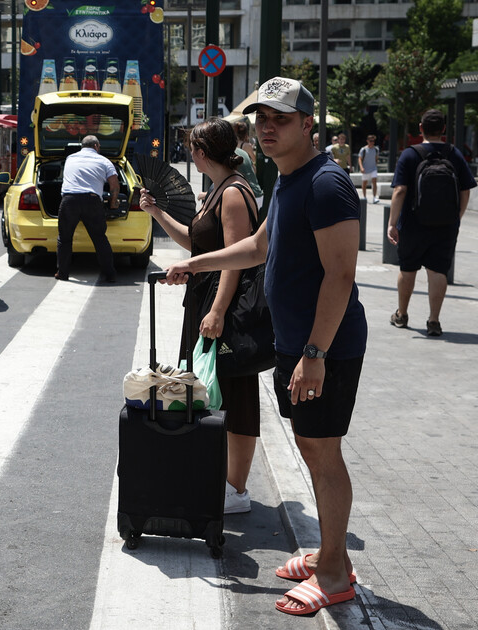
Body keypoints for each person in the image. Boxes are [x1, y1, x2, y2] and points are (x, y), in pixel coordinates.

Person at [163, 77, 366, 616]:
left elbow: (341, 275)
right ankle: (331, 552)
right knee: (311, 448)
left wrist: (315, 355)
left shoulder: (325, 183)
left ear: (307, 124)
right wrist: (195, 263)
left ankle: (334, 574)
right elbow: (256, 247)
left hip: (324, 349)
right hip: (297, 344)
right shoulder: (288, 180)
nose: (267, 127)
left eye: (281, 118)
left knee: (323, 454)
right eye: (261, 118)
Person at [140, 118, 261, 515]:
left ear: (202, 153)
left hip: (222, 307)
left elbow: (237, 259)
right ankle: (217, 476)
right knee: (206, 390)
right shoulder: (218, 189)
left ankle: (236, 490)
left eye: (192, 147)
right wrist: (157, 212)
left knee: (235, 397)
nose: (190, 153)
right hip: (205, 303)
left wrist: (218, 311)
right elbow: (197, 244)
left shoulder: (233, 194)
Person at [387, 108, 475, 337]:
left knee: (408, 269)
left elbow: (400, 190)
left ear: (421, 128)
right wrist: (457, 217)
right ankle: (434, 321)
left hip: (413, 223)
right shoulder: (454, 154)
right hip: (445, 225)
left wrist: (392, 223)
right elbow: (466, 190)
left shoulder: (409, 155)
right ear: (443, 129)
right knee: (438, 271)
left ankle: (402, 314)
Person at [55, 135, 119, 283]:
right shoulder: (104, 161)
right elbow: (114, 184)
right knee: (99, 238)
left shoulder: (70, 158)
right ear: (96, 146)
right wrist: (113, 203)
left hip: (69, 200)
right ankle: (110, 274)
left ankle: (62, 273)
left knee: (64, 239)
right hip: (92, 201)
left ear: (82, 146)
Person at [356, 135, 380, 204]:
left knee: (374, 181)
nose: (372, 142)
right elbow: (359, 159)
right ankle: (364, 197)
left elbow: (376, 158)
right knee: (364, 183)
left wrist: (375, 165)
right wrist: (361, 167)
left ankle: (374, 197)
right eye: (370, 141)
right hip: (365, 168)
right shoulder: (363, 149)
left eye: (373, 141)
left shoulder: (376, 149)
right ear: (367, 141)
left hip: (373, 168)